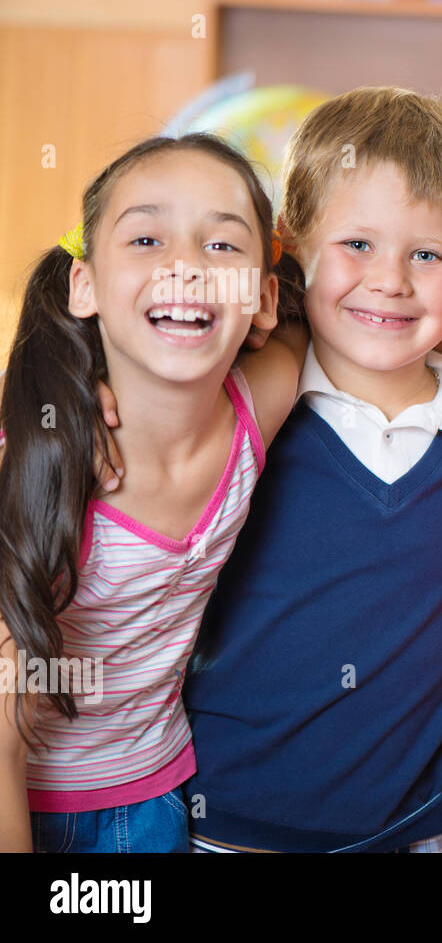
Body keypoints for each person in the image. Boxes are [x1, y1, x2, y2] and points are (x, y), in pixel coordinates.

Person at [180, 86, 442, 853]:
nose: (390, 279)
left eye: (427, 254)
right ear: (290, 246)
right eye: (357, 245)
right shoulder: (246, 403)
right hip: (222, 832)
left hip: (416, 832)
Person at [0, 133, 305, 852]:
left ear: (262, 298)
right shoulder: (41, 470)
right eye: (145, 238)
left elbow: (354, 300)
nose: (183, 266)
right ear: (85, 286)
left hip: (161, 799)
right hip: (32, 812)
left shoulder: (257, 405)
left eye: (223, 246)